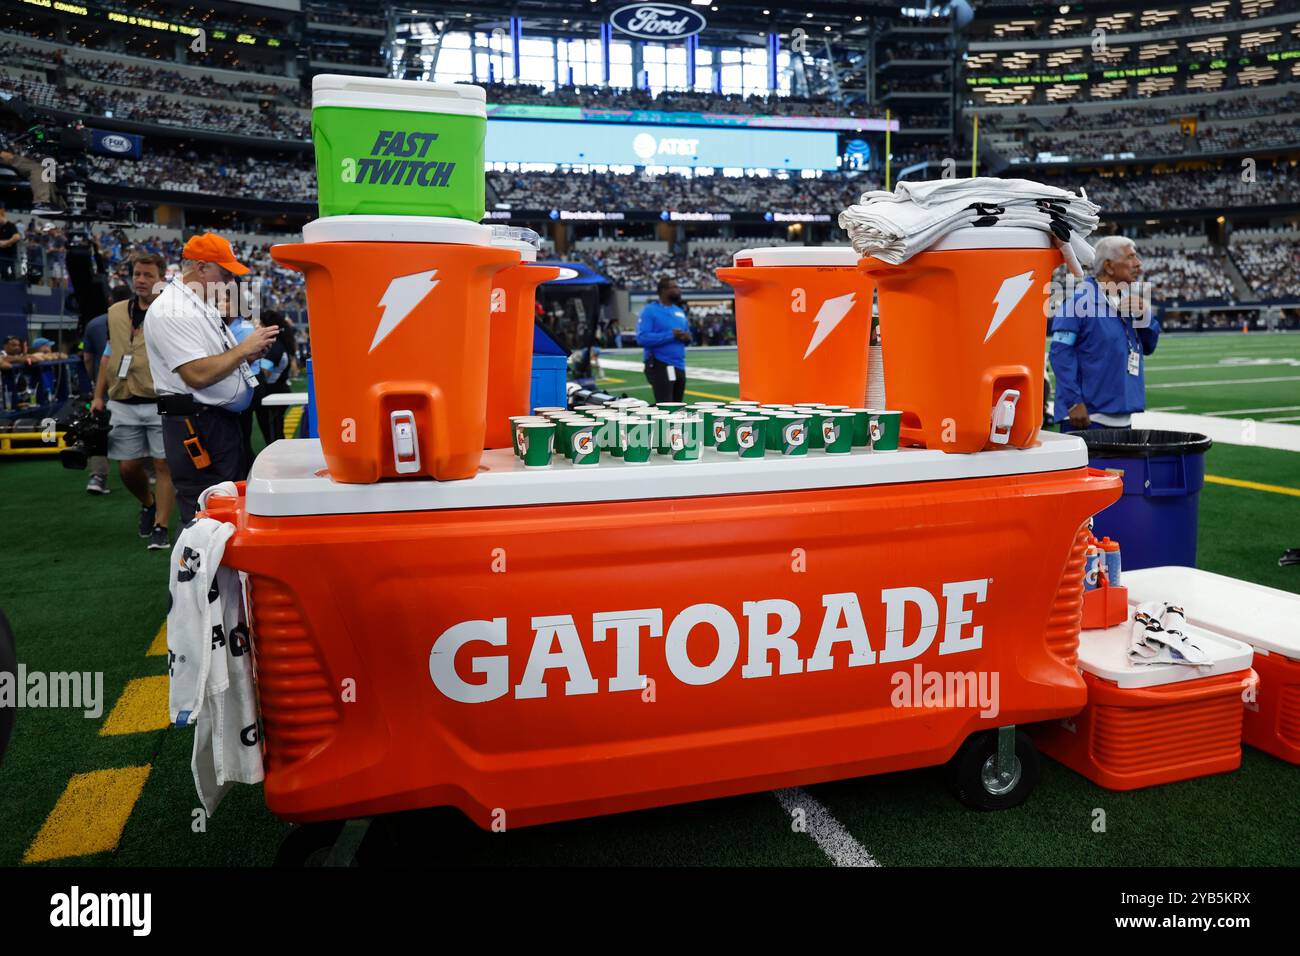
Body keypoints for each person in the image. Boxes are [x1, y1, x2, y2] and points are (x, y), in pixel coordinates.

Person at [143, 233, 277, 523]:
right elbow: (197, 374)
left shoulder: (194, 304)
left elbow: (209, 364)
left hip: (212, 420)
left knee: (222, 506)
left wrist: (246, 354)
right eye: (225, 273)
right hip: (199, 423)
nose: (229, 282)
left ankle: (218, 568)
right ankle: (200, 569)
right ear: (202, 268)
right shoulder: (173, 310)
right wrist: (243, 350)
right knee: (206, 512)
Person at [92, 253, 176, 549]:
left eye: (148, 275)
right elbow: (107, 356)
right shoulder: (116, 312)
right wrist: (97, 396)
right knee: (127, 467)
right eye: (138, 274)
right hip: (122, 400)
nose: (141, 280)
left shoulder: (171, 311)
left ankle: (161, 527)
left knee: (164, 464)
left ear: (161, 279)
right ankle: (149, 503)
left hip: (159, 398)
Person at [1050, 236, 1161, 432]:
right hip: (1087, 417)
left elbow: (1149, 347)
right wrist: (1073, 402)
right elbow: (1060, 353)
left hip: (1122, 412)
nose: (1138, 264)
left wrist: (1146, 317)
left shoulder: (1129, 301)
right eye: (1131, 257)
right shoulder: (1079, 302)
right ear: (1109, 266)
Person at [80, 285, 131, 495]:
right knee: (141, 422)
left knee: (98, 428)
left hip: (106, 382)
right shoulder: (137, 319)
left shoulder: (93, 323)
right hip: (133, 382)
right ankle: (148, 471)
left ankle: (97, 476)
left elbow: (88, 357)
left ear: (110, 299)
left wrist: (96, 384)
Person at [636, 276, 691, 403]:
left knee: (678, 404)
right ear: (663, 290)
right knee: (666, 405)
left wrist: (687, 337)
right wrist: (671, 335)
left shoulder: (679, 311)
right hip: (660, 363)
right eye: (674, 287)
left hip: (679, 364)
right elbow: (642, 338)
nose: (679, 290)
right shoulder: (650, 311)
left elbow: (686, 333)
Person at [251, 310, 293, 445]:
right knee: (276, 431)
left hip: (272, 394)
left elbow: (264, 373)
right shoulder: (280, 344)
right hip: (279, 390)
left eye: (261, 325)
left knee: (273, 435)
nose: (258, 328)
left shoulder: (274, 348)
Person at [0, 148, 59, 215]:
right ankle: (41, 203)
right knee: (37, 168)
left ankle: (54, 202)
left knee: (47, 164)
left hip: (12, 154)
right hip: (6, 157)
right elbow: (7, 154)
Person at [0, 206, 20, 281]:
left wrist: (6, 242)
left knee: (13, 274)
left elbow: (17, 237)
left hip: (11, 255)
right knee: (3, 272)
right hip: (2, 256)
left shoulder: (10, 225)